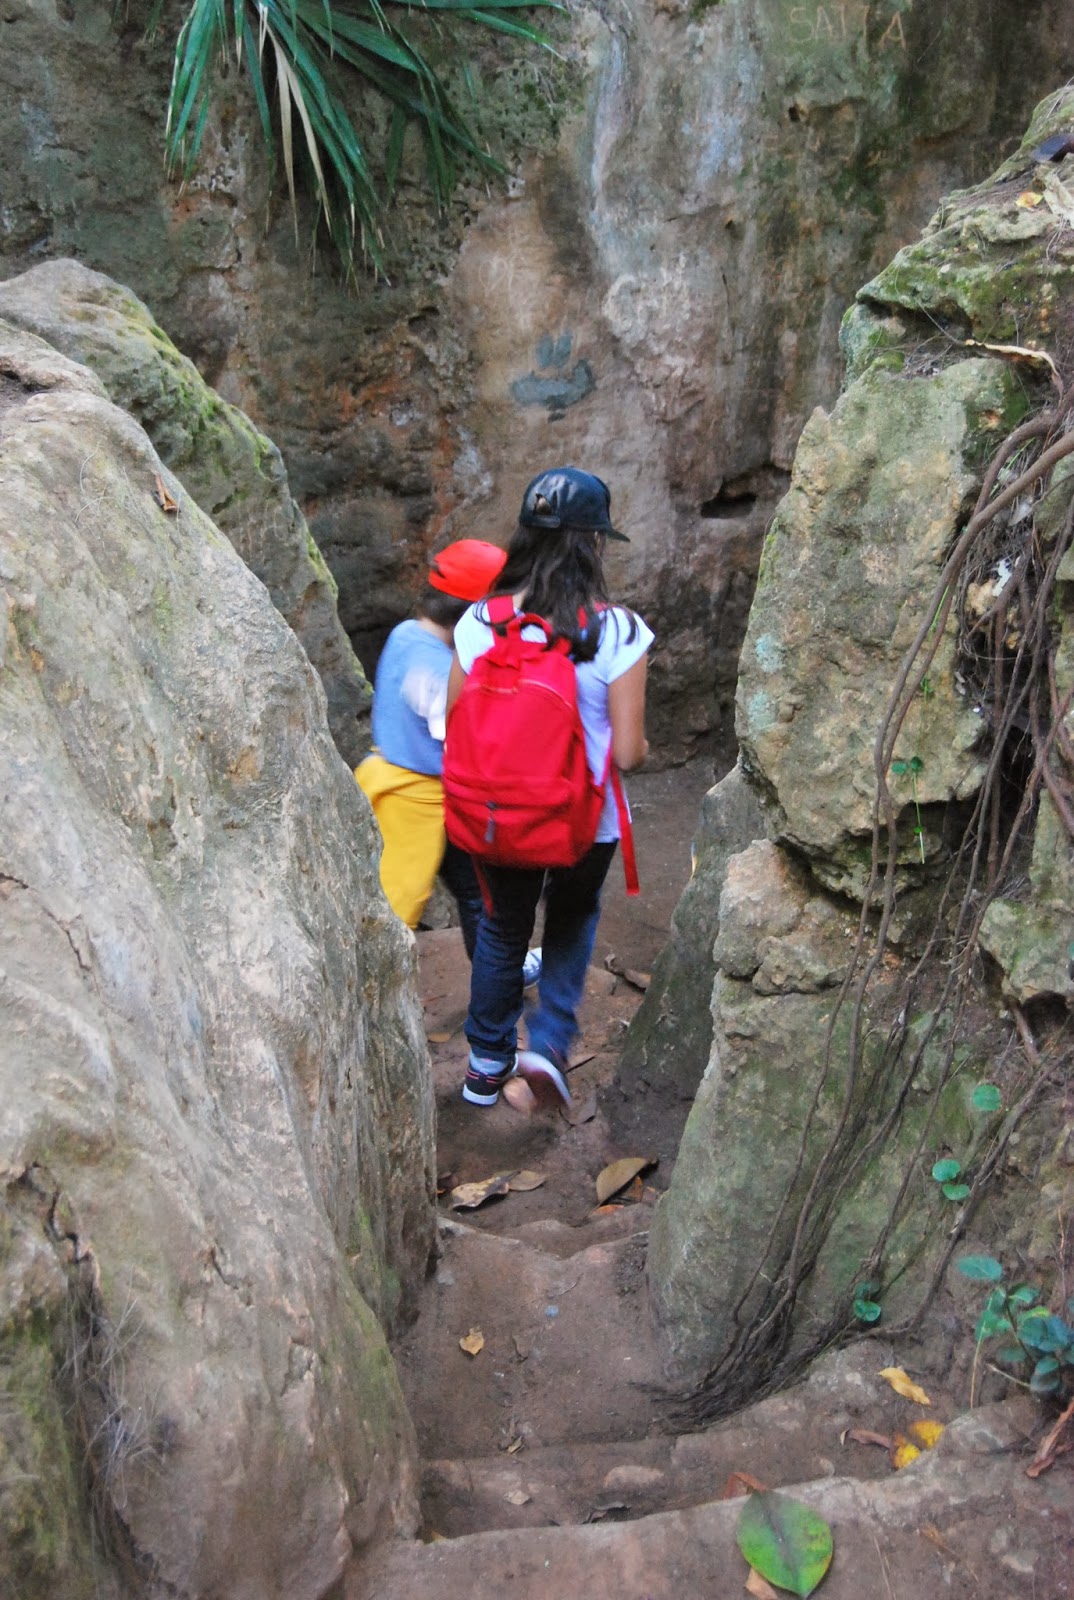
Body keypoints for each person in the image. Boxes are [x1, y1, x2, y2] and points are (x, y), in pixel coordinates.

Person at [447, 467, 653, 1107]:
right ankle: (549, 1046)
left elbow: (454, 720)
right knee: (570, 918)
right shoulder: (618, 632)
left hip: (497, 813)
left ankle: (486, 1065)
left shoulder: (481, 620)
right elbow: (628, 753)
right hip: (584, 821)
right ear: (593, 543)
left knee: (503, 927)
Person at [356, 539, 509, 957]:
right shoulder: (441, 670)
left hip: (395, 778)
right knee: (401, 902)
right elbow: (458, 735)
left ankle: (495, 970)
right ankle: (382, 980)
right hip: (420, 796)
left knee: (470, 888)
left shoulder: (404, 634)